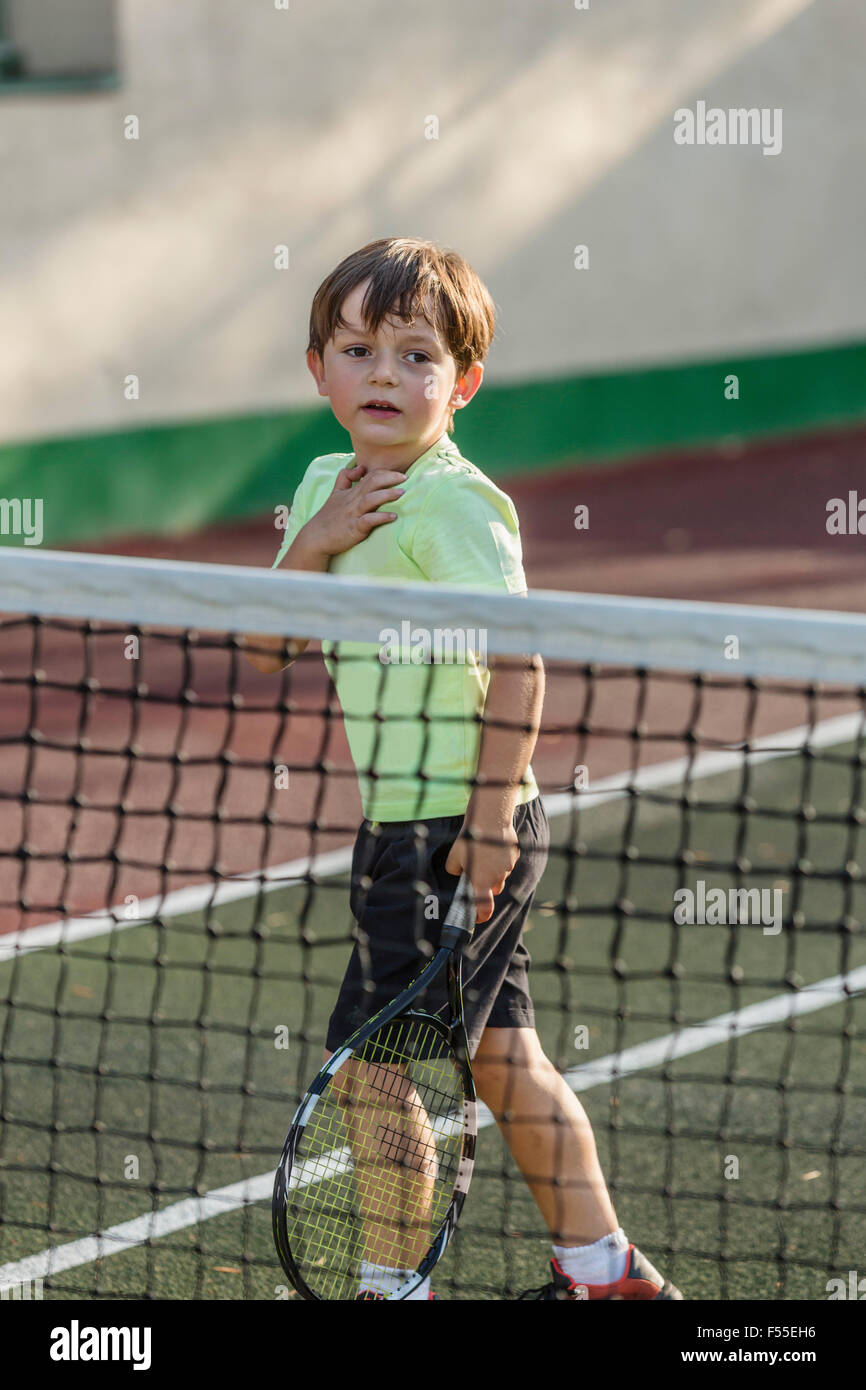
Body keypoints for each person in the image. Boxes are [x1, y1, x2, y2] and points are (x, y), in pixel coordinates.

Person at [245, 236, 682, 1302]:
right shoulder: (323, 484)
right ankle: (602, 1271)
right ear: (318, 370)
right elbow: (265, 642)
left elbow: (517, 664)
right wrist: (321, 538)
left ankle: (392, 1288)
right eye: (357, 349)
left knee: (371, 1072)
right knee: (500, 1057)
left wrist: (485, 823)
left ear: (463, 382)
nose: (384, 374)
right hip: (402, 824)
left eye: (415, 355)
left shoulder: (454, 506)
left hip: (453, 828)